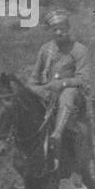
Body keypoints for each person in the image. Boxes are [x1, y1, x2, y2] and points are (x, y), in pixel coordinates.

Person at [30, 9, 91, 167]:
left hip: (74, 94)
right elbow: (33, 80)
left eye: (62, 28)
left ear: (68, 28)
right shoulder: (45, 50)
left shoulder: (79, 49)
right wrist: (41, 91)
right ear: (50, 31)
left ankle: (57, 133)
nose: (59, 32)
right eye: (55, 29)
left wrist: (62, 84)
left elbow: (83, 79)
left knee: (67, 93)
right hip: (49, 95)